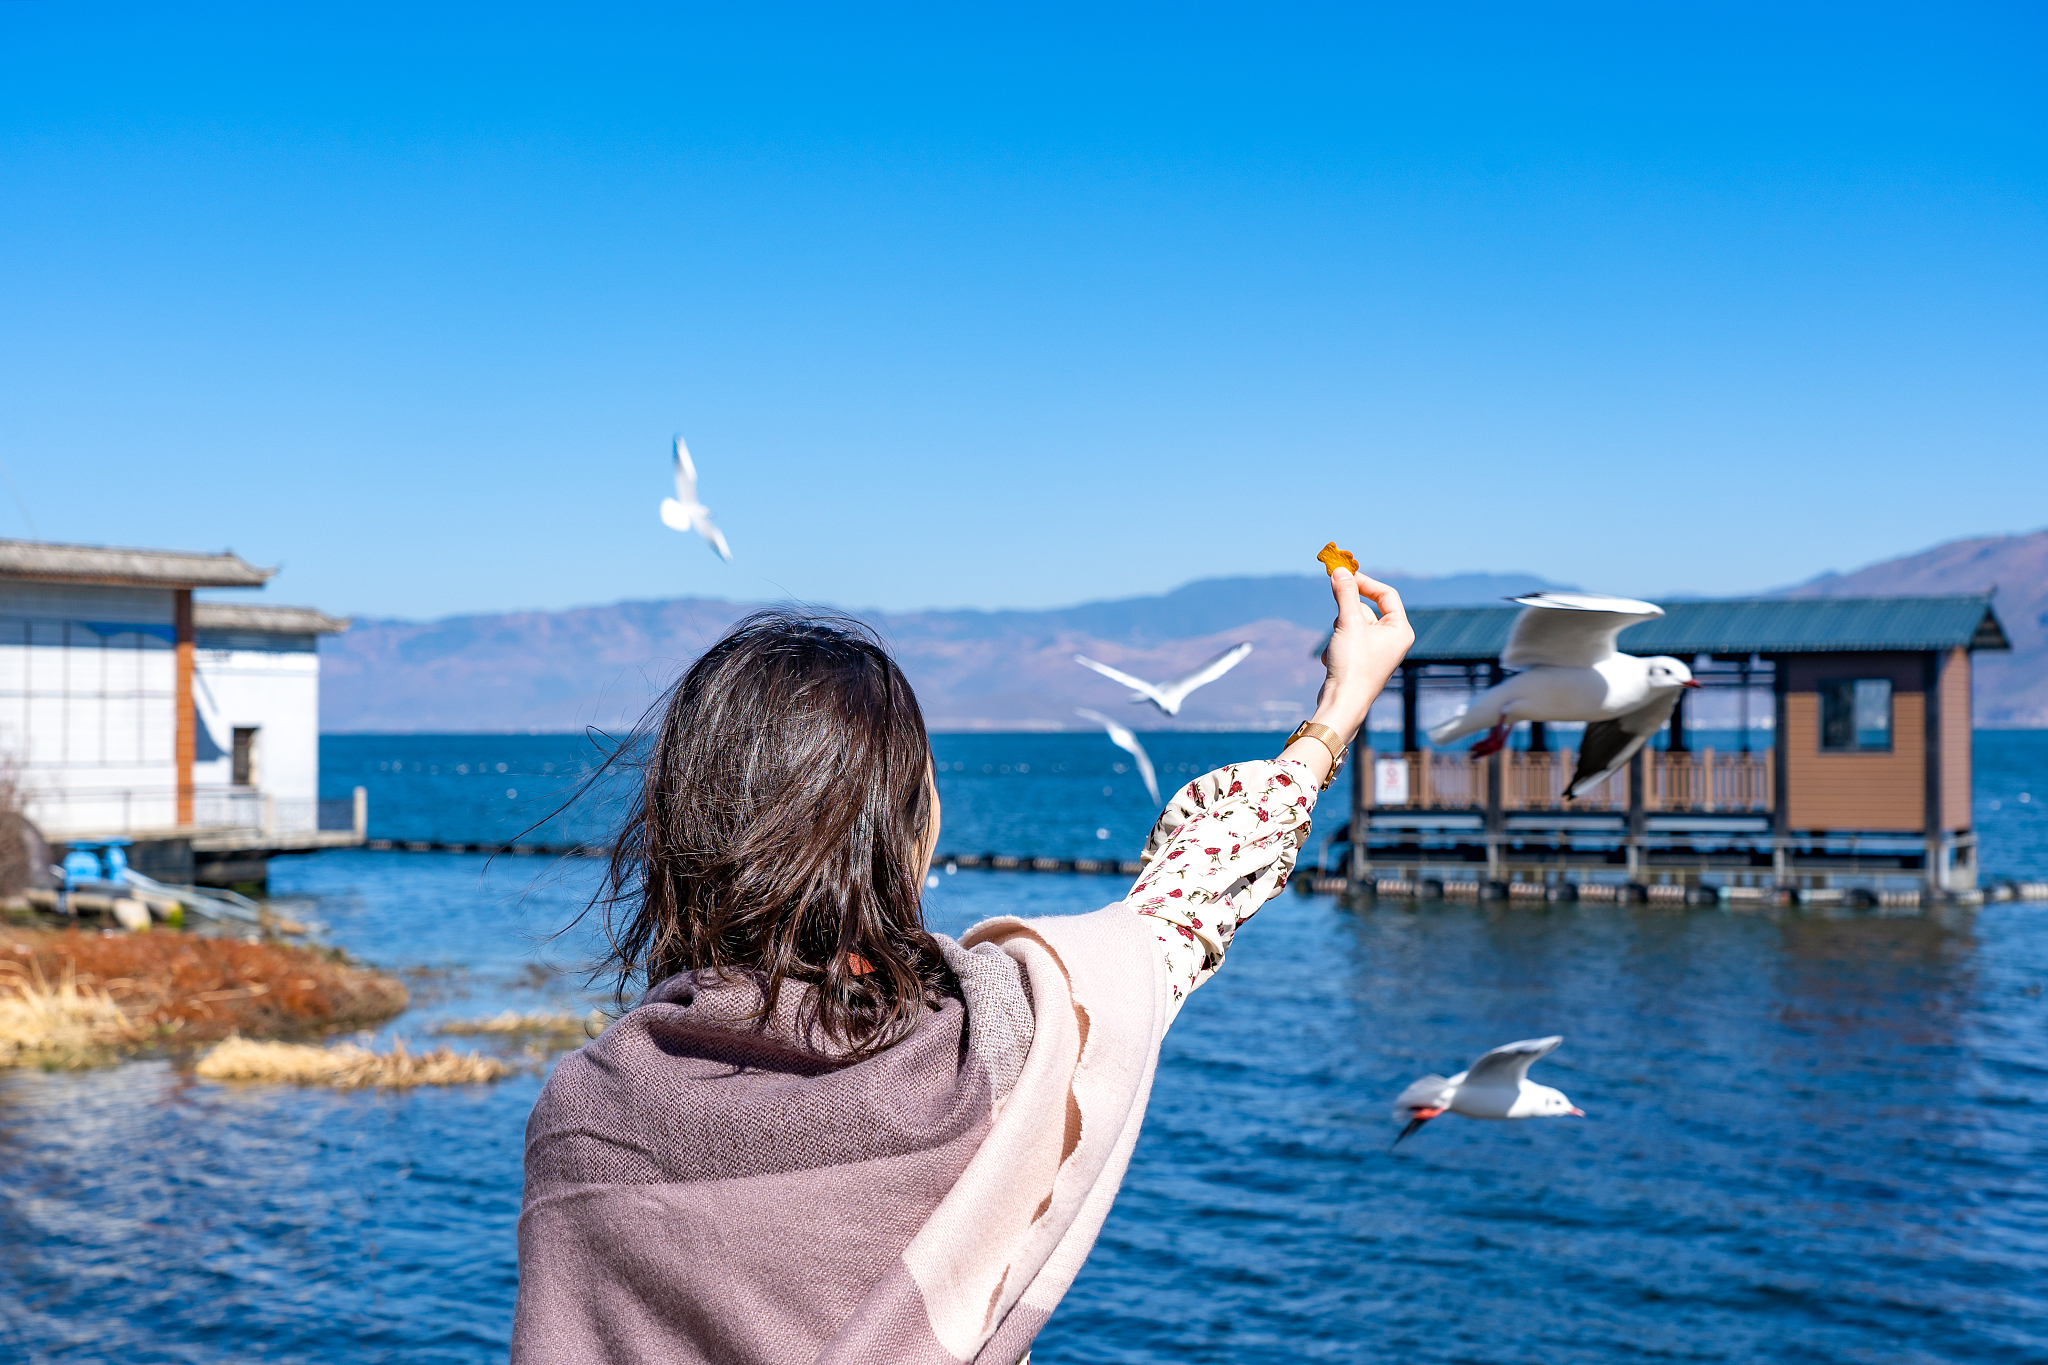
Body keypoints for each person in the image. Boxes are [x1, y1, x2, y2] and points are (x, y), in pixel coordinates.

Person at [512, 564, 1413, 1365]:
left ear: (678, 829)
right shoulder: (1003, 1046)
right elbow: (1184, 901)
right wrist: (1334, 715)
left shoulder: (586, 1115)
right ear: (907, 834)